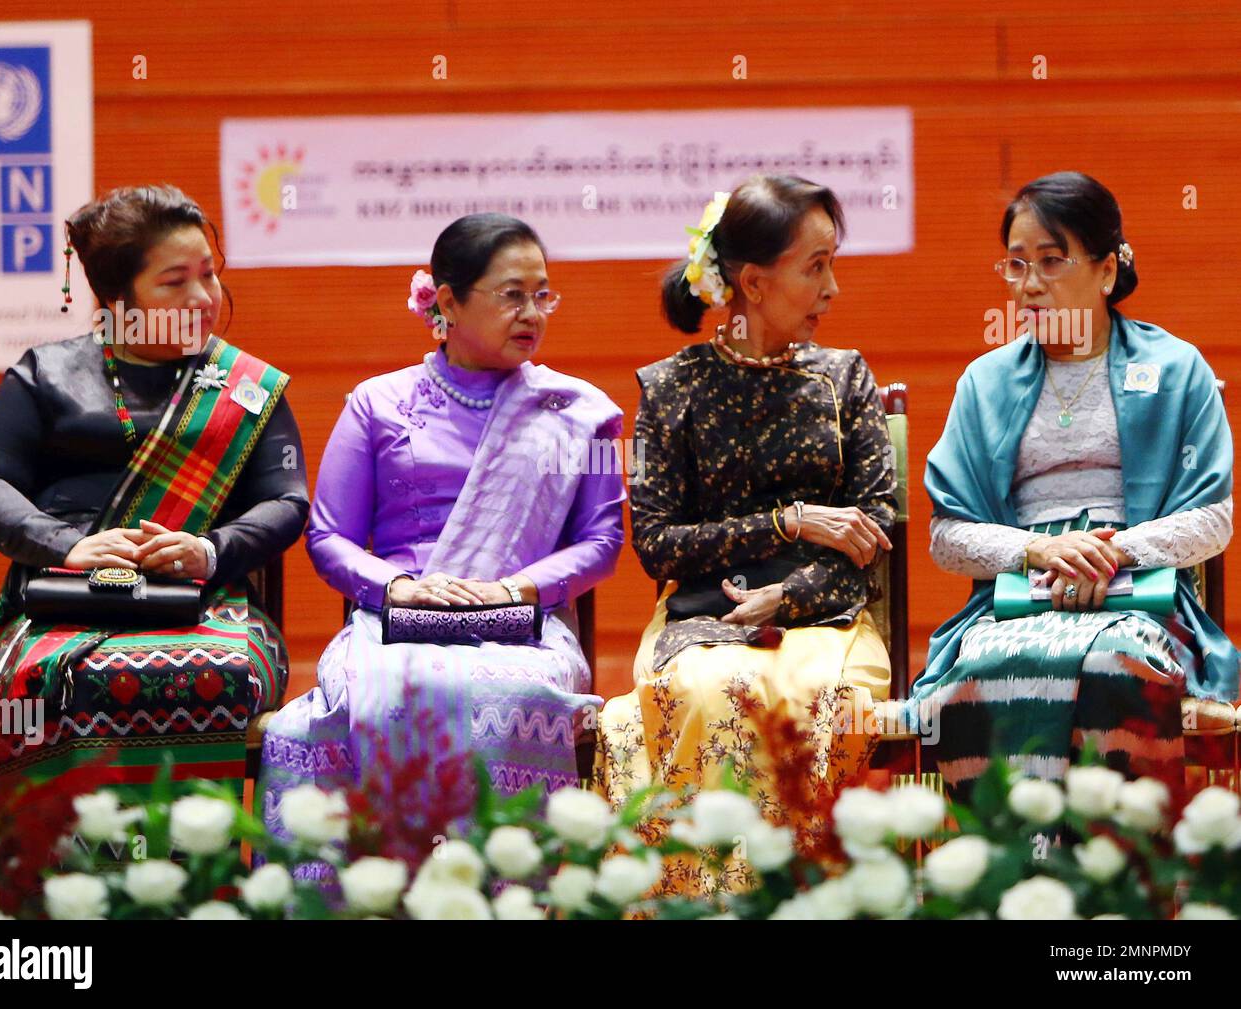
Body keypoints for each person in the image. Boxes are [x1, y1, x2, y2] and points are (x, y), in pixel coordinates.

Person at [258, 214, 625, 841]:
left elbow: (603, 540)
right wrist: (396, 586)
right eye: (512, 295)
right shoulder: (376, 403)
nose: (532, 312)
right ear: (448, 302)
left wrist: (516, 590)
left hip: (523, 629)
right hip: (395, 623)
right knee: (388, 691)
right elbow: (328, 537)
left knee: (514, 702)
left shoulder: (578, 411)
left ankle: (500, 891)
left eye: (543, 295)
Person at [0, 184, 308, 796]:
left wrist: (208, 551)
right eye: (175, 282)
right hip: (57, 602)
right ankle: (57, 873)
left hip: (208, 608)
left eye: (209, 274)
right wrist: (67, 546)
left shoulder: (244, 387)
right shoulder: (44, 374)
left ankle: (196, 870)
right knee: (56, 683)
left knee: (212, 672)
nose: (203, 298)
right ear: (116, 299)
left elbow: (286, 502)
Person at [596, 176, 897, 874]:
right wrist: (788, 522)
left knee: (820, 706)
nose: (833, 288)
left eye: (833, 262)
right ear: (754, 284)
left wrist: (785, 599)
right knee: (713, 694)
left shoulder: (846, 379)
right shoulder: (670, 388)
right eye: (816, 266)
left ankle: (798, 895)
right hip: (705, 620)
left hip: (828, 619)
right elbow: (658, 543)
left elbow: (874, 525)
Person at [910, 171, 1237, 799]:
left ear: (1107, 271)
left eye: (1052, 261)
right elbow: (947, 537)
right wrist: (1035, 551)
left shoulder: (1175, 367)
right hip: (1016, 597)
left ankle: (1118, 878)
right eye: (1015, 265)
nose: (1029, 285)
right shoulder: (985, 382)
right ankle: (1009, 877)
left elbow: (1214, 519)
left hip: (1141, 593)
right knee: (982, 675)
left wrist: (1113, 553)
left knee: (1118, 667)